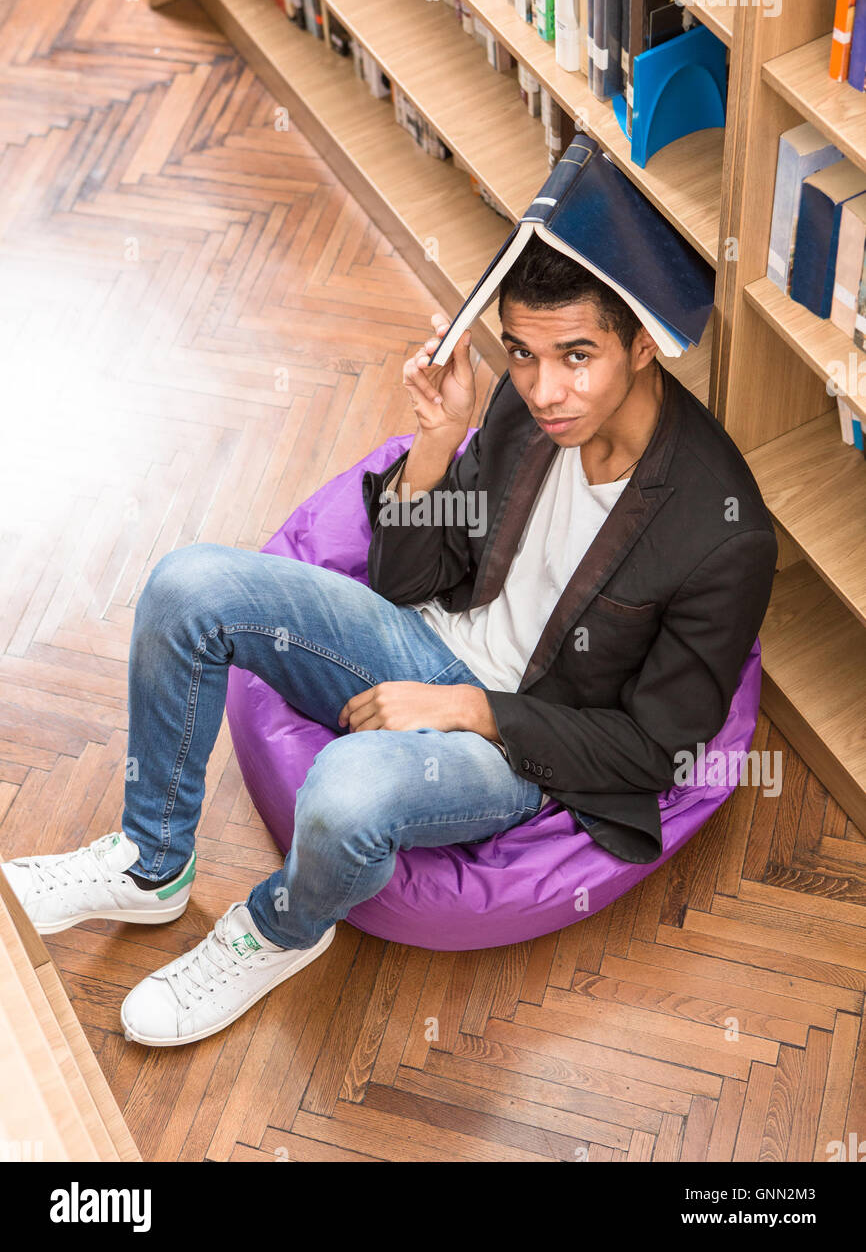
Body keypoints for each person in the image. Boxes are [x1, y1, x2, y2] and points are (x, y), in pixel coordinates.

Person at [1, 235, 777, 1047]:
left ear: (645, 343)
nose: (546, 389)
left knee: (346, 792)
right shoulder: (527, 401)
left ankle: (284, 928)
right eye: (522, 353)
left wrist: (471, 710)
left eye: (577, 355)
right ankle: (149, 863)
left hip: (519, 744)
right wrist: (437, 446)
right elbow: (410, 579)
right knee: (187, 585)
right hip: (417, 644)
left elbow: (654, 755)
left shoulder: (723, 535)